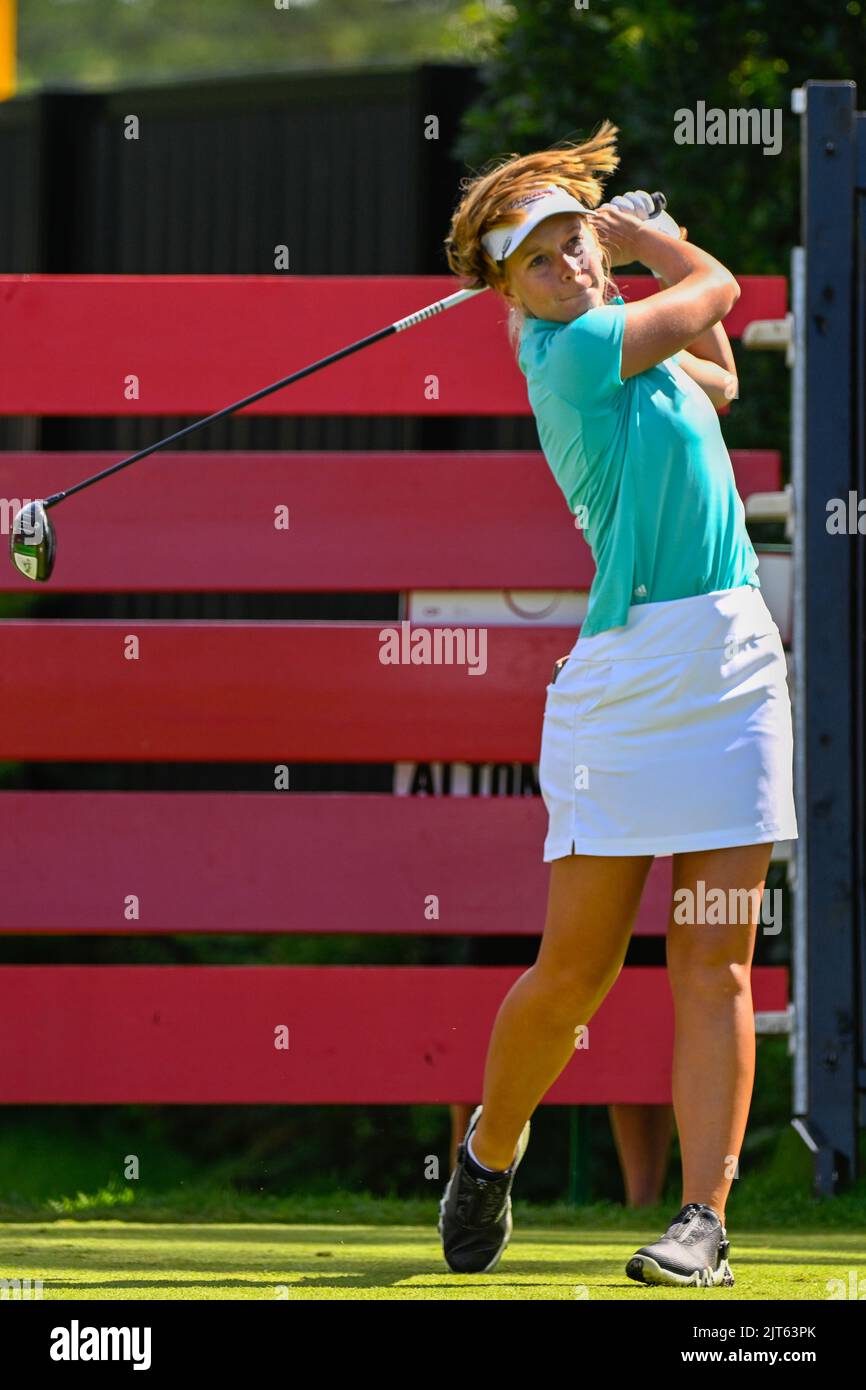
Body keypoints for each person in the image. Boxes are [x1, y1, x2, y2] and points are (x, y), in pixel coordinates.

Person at [437, 120, 798, 1289]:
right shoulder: (572, 354)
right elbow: (721, 290)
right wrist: (660, 243)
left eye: (576, 244)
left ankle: (701, 1222)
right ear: (506, 289)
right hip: (627, 682)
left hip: (731, 664)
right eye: (539, 261)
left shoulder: (625, 339)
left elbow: (719, 371)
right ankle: (489, 1149)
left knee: (714, 960)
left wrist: (644, 254)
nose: (570, 268)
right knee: (575, 973)